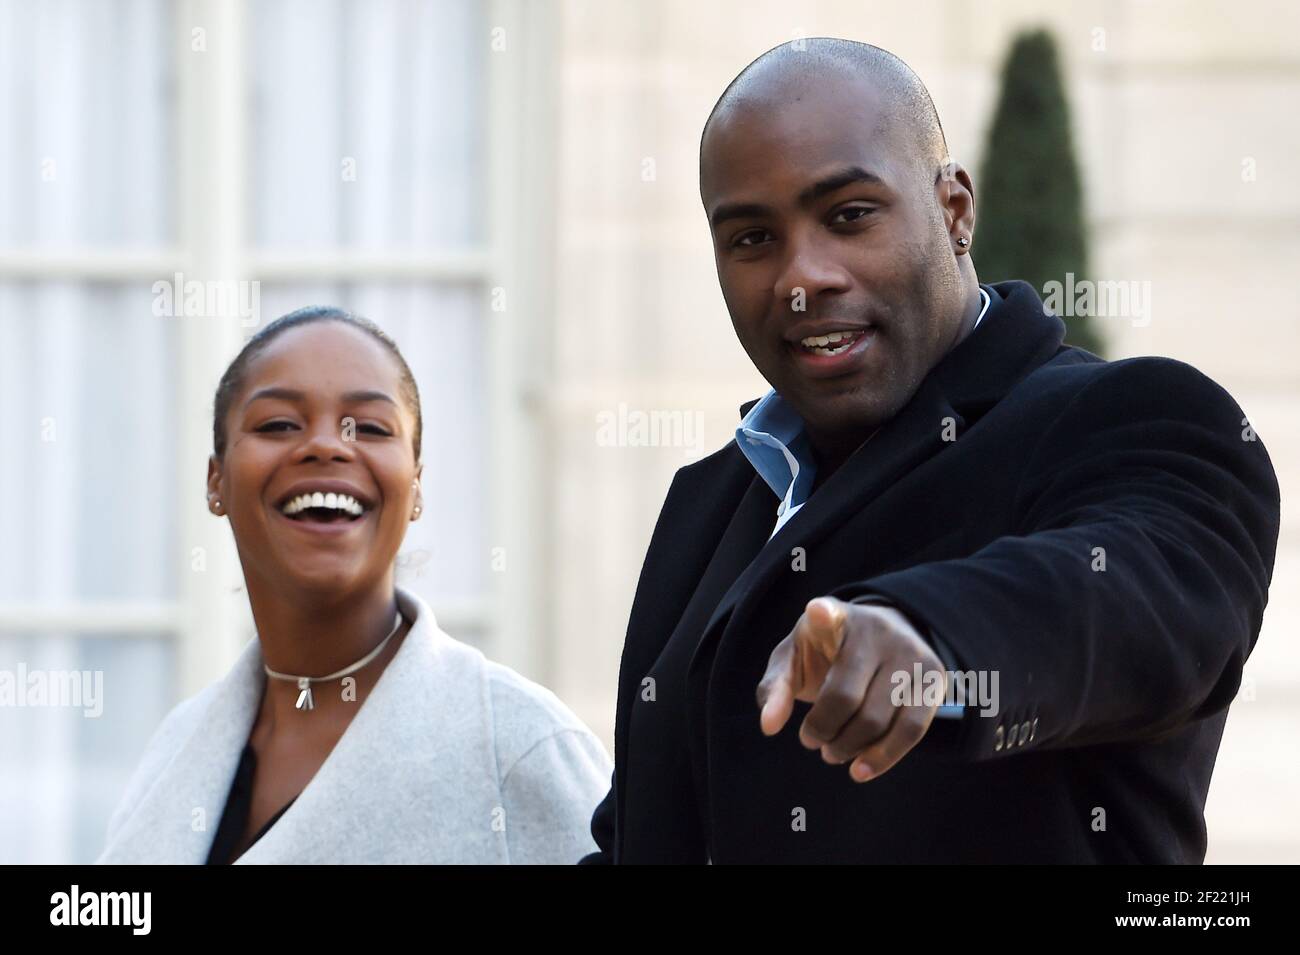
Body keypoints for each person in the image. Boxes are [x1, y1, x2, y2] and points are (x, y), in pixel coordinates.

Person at [580, 38, 1281, 863]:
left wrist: (931, 637)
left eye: (848, 216)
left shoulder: (1131, 417)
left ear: (954, 210)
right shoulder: (708, 504)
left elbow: (1134, 597)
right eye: (751, 239)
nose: (802, 277)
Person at [97, 306, 610, 864]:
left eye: (369, 428)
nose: (327, 446)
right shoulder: (176, 751)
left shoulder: (522, 751)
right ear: (215, 481)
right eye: (277, 425)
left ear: (415, 485)